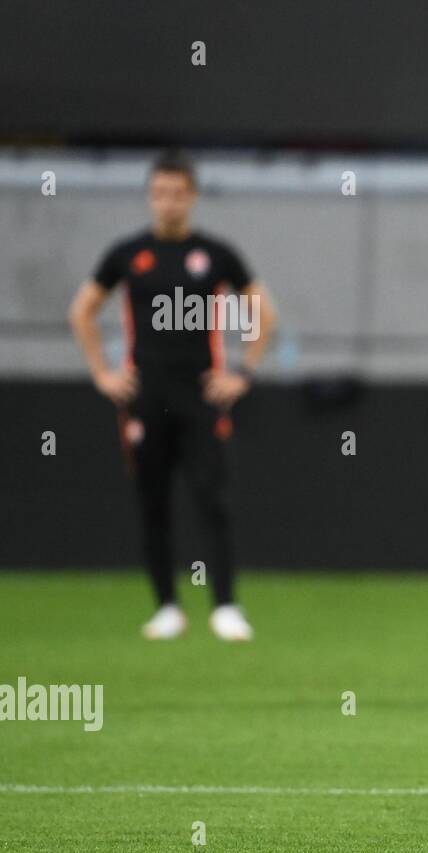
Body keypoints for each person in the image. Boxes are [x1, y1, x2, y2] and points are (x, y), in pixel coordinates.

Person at [68, 150, 276, 641]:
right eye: (160, 192)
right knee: (153, 503)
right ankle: (166, 606)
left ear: (193, 196)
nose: (169, 202)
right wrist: (103, 373)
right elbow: (83, 311)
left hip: (201, 398)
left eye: (178, 193)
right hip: (146, 400)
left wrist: (243, 372)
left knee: (212, 500)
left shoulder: (216, 255)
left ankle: (225, 606)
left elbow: (263, 311)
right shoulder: (127, 254)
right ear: (150, 196)